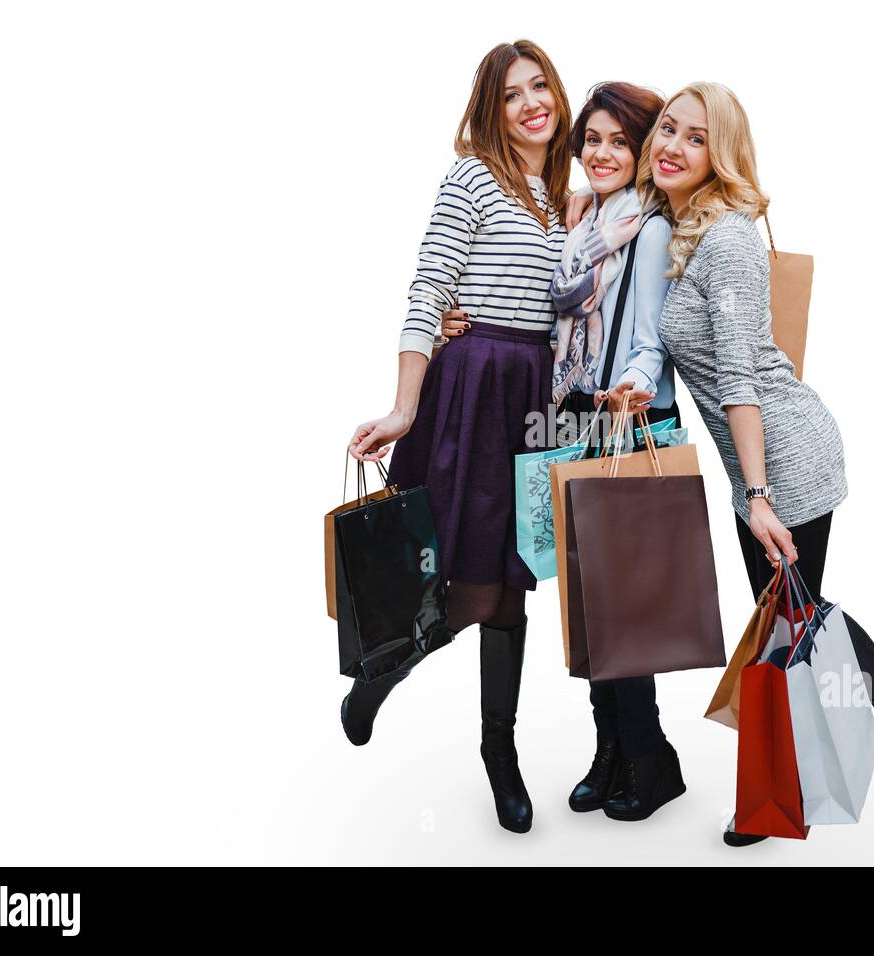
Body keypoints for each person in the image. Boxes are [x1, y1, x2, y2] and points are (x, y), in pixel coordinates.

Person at [603, 81, 874, 847]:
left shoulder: (730, 239)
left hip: (786, 458)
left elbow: (738, 377)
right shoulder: (678, 225)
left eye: (696, 138)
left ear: (722, 154)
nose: (672, 145)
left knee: (794, 623)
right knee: (795, 619)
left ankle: (805, 784)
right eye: (668, 129)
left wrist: (761, 495)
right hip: (757, 464)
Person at [346, 40, 572, 834]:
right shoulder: (471, 177)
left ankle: (499, 752)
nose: (530, 103)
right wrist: (405, 405)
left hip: (531, 403)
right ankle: (382, 669)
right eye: (512, 94)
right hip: (472, 393)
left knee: (511, 583)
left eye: (540, 86)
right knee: (466, 585)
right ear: (491, 108)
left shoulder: (563, 197)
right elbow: (428, 288)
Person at [446, 82, 687, 822]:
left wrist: (629, 392)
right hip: (576, 419)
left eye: (620, 141)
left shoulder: (645, 229)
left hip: (628, 418)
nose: (603, 153)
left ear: (643, 150)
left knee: (626, 609)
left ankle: (647, 762)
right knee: (592, 604)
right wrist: (465, 317)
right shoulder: (582, 222)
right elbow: (538, 306)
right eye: (593, 140)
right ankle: (608, 748)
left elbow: (651, 339)